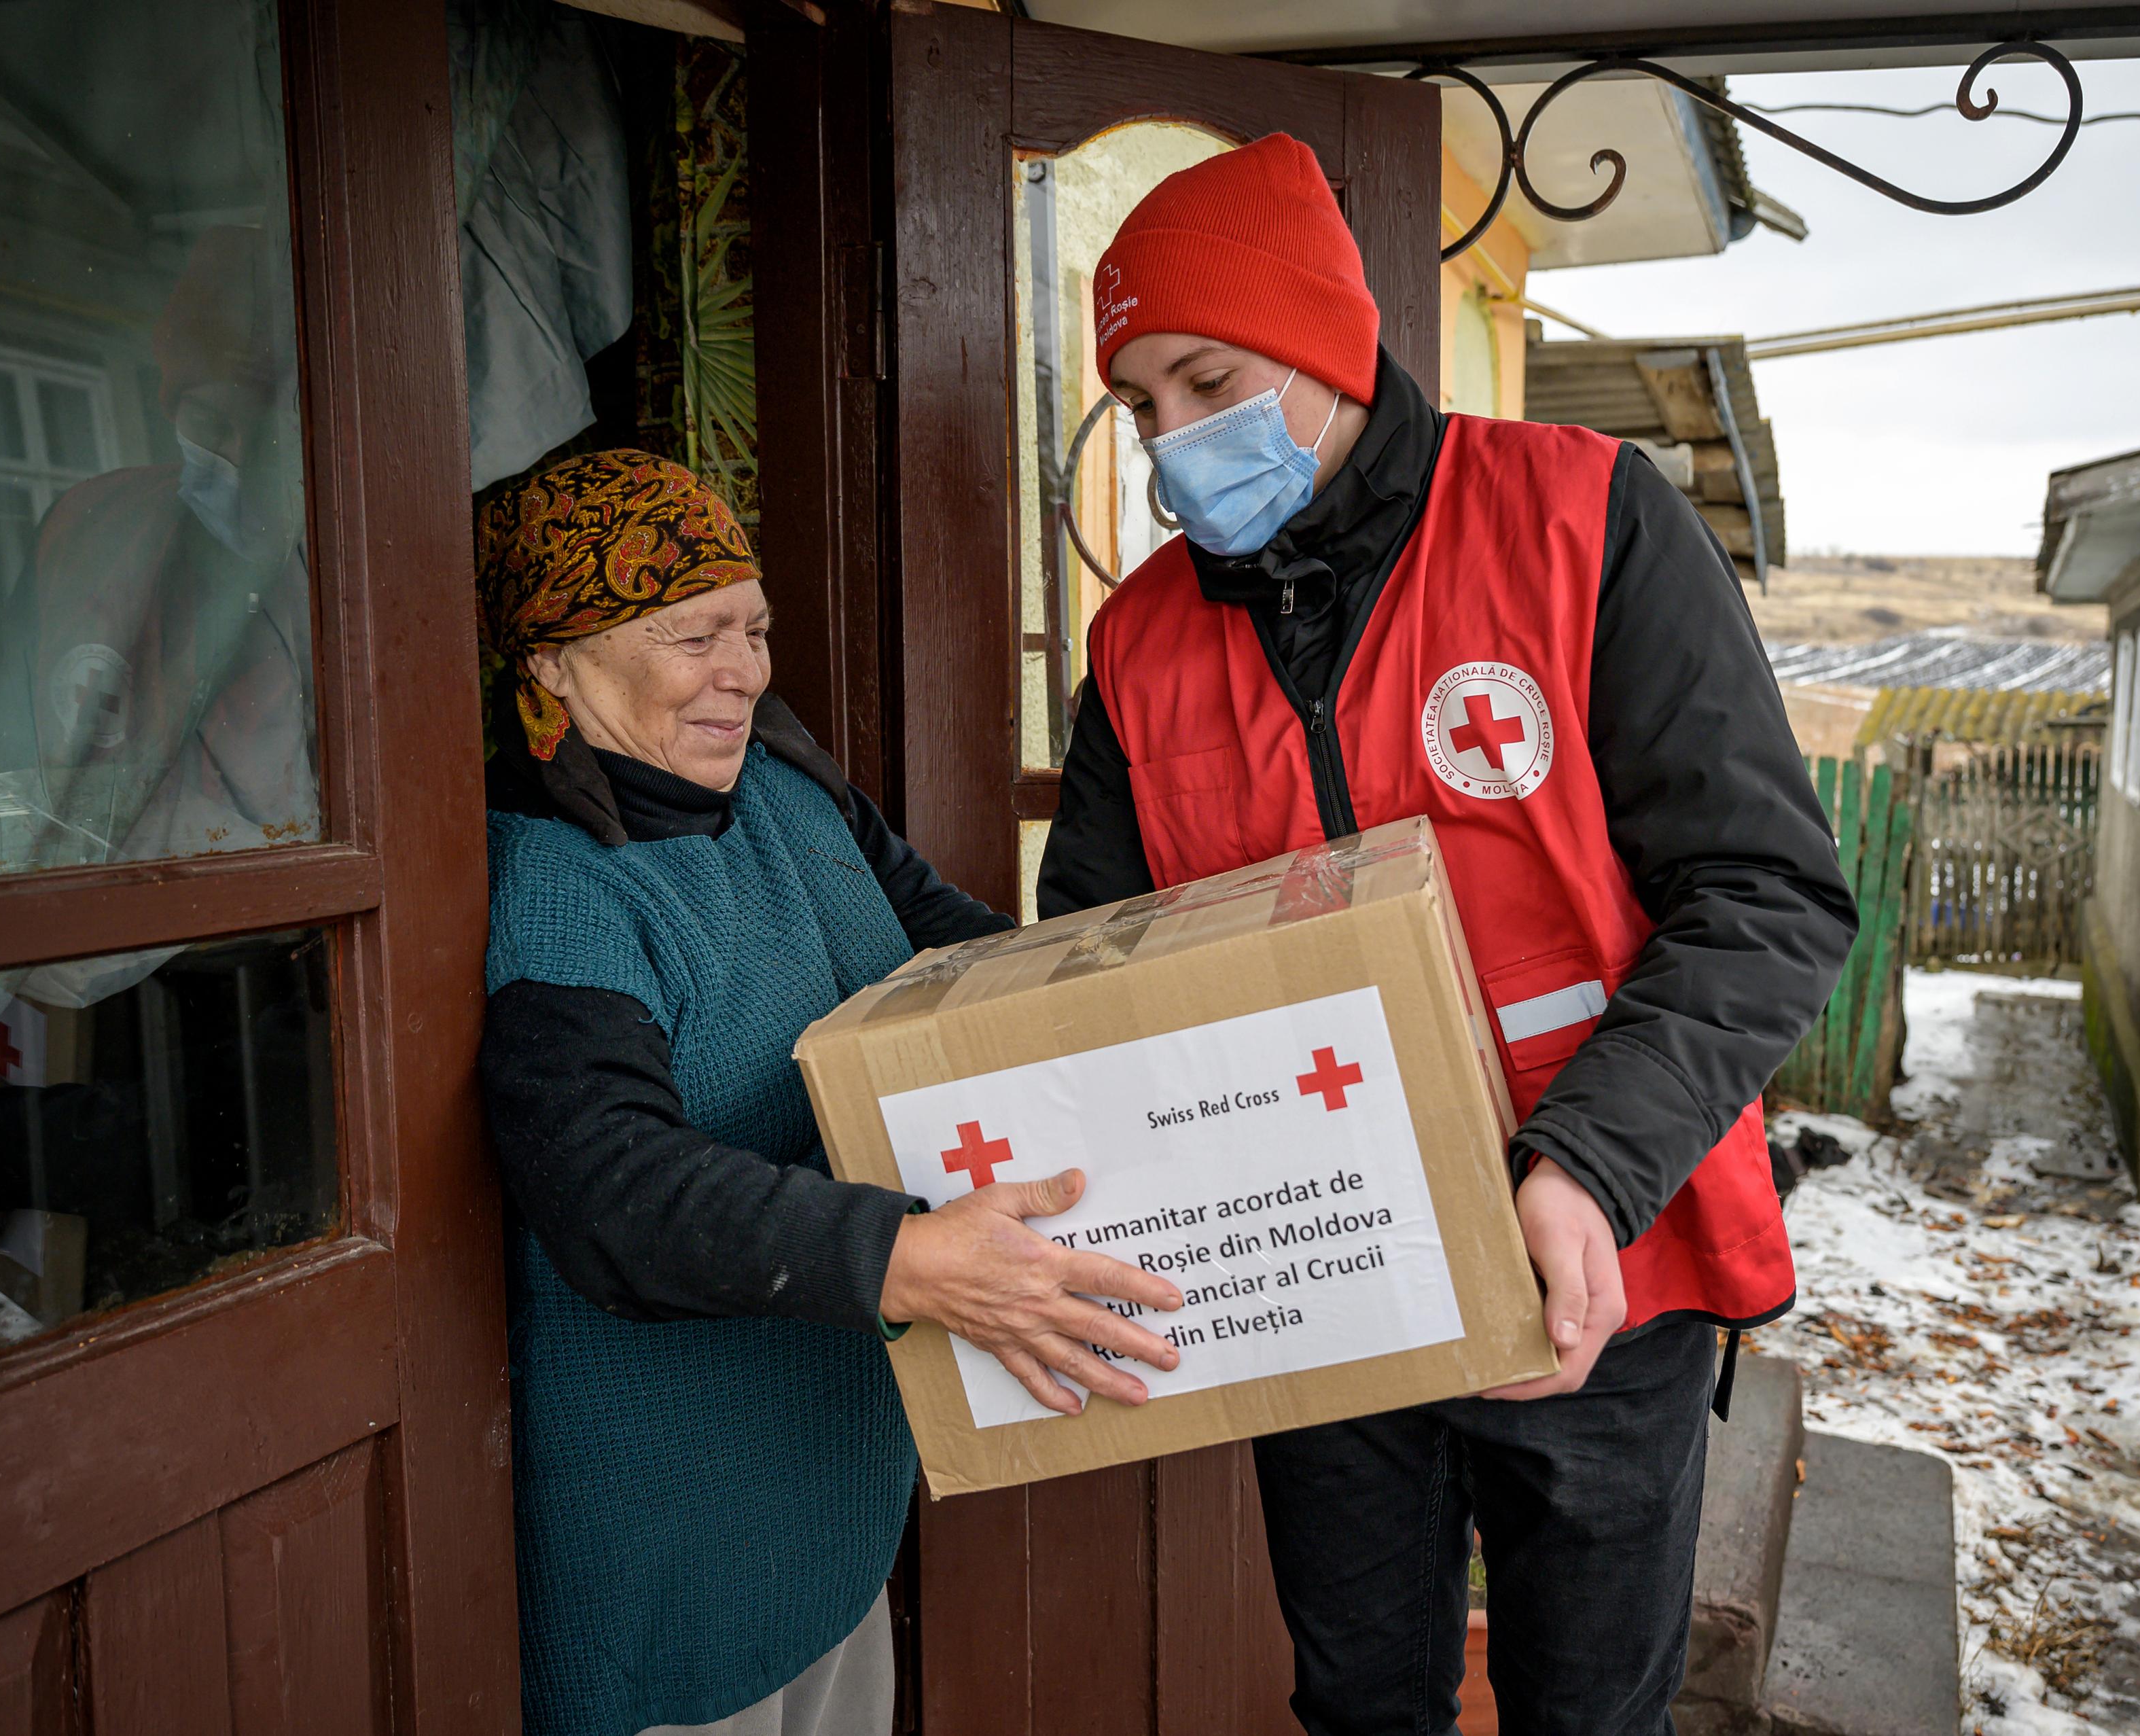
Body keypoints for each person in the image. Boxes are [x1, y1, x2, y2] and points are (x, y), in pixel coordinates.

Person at [1039, 135, 1857, 1736]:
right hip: (1329, 1271)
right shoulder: (1137, 642)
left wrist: (1589, 1168)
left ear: (1329, 344)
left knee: (1588, 1706)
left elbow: (1767, 894)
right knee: (1359, 1698)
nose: (1177, 443)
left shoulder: (1580, 520)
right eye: (1141, 408)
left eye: (1209, 380)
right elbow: (1095, 952)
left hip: (1599, 1260)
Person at [473, 450, 1185, 1736]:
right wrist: (908, 1263)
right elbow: (614, 1193)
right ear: (553, 661)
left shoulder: (786, 792)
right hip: (673, 1555)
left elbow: (954, 956)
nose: (739, 671)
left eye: (752, 629)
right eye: (691, 635)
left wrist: (1156, 999)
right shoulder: (557, 890)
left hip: (829, 1504)